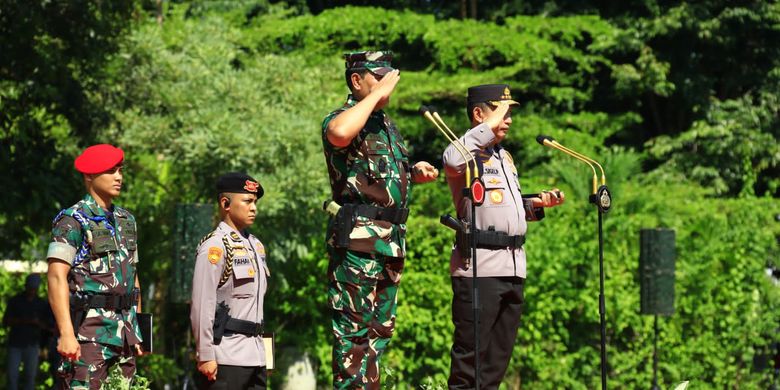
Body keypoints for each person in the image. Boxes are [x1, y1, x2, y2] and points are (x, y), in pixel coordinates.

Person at [321, 50, 438, 389]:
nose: (387, 85)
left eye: (390, 77)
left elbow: (377, 177)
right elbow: (339, 135)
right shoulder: (344, 116)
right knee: (352, 336)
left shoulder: (387, 127)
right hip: (358, 241)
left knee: (379, 334)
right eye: (378, 77)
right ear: (356, 81)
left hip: (390, 242)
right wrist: (374, 97)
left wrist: (413, 173)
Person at [442, 84, 566, 389]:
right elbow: (450, 160)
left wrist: (535, 205)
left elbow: (502, 208)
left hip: (512, 269)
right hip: (479, 269)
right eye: (501, 112)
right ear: (478, 114)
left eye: (510, 113)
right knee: (469, 364)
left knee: (497, 363)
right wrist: (486, 128)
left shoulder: (504, 157)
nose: (508, 119)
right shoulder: (465, 153)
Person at [45, 144, 145, 389]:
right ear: (89, 175)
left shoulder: (126, 220)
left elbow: (133, 276)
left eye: (120, 170)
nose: (119, 177)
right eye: (111, 171)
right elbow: (56, 277)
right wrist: (66, 334)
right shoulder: (73, 220)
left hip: (125, 337)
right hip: (89, 336)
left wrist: (142, 329)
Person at [190, 172, 270, 390]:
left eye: (255, 202)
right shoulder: (215, 246)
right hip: (226, 355)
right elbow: (202, 303)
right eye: (247, 201)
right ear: (225, 203)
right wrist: (205, 354)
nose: (254, 207)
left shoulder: (256, 245)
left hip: (257, 356)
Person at [3, 273, 49, 390]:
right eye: (30, 288)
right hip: (15, 343)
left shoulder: (41, 304)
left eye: (34, 289)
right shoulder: (15, 301)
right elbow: (6, 321)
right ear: (26, 286)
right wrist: (24, 320)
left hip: (32, 344)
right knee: (12, 376)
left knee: (30, 376)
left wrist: (37, 323)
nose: (32, 291)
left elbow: (47, 326)